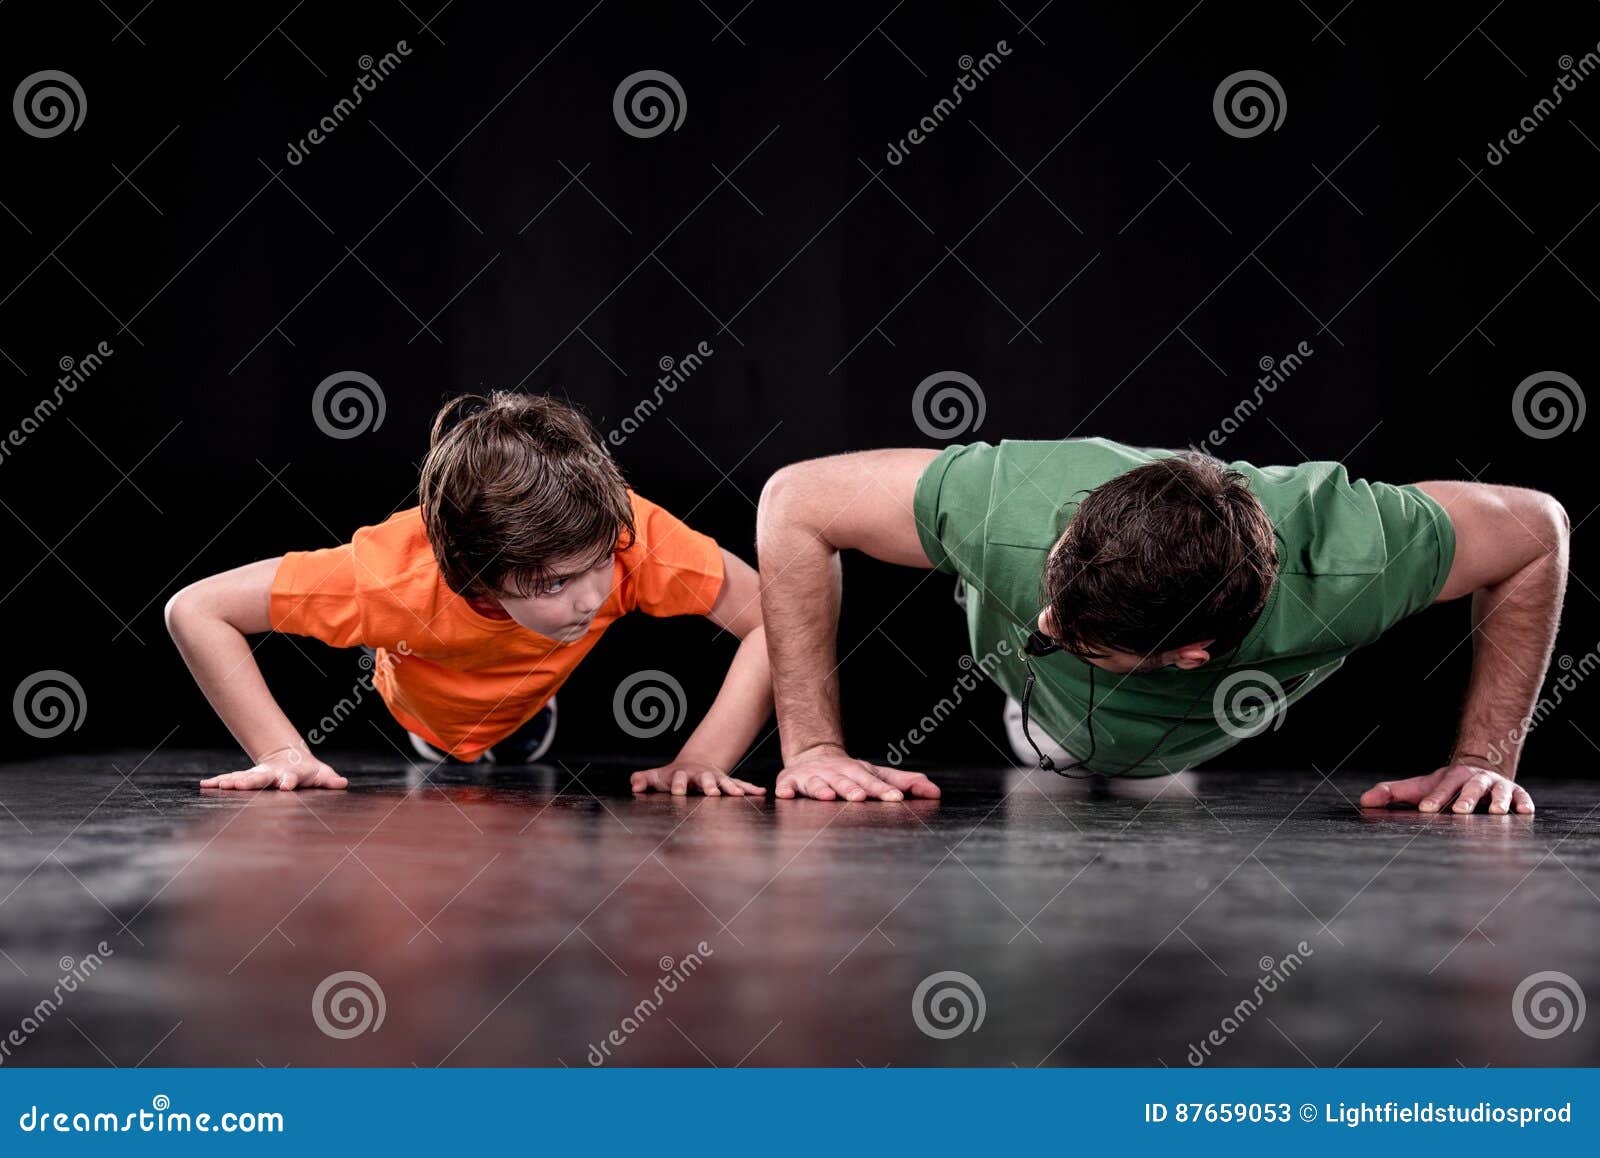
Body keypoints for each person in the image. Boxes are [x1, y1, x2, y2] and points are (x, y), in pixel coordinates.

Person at [755, 439, 1569, 813]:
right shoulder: (1005, 502)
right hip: (1037, 706)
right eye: (1048, 601)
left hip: (1207, 723)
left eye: (1073, 637)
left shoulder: (1354, 561)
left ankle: (1150, 733)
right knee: (1055, 740)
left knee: (1150, 783)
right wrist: (814, 747)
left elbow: (1538, 530)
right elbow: (795, 499)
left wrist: (1484, 761)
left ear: (1189, 653)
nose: (1045, 619)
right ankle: (1046, 710)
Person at [165, 391, 770, 797]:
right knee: (450, 757)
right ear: (472, 576)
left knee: (522, 749)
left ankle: (528, 718)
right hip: (423, 710)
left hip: (531, 702)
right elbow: (196, 609)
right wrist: (280, 753)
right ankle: (449, 739)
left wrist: (704, 757)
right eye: (554, 582)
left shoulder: (631, 532)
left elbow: (779, 620)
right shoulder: (390, 578)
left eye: (601, 564)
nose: (592, 598)